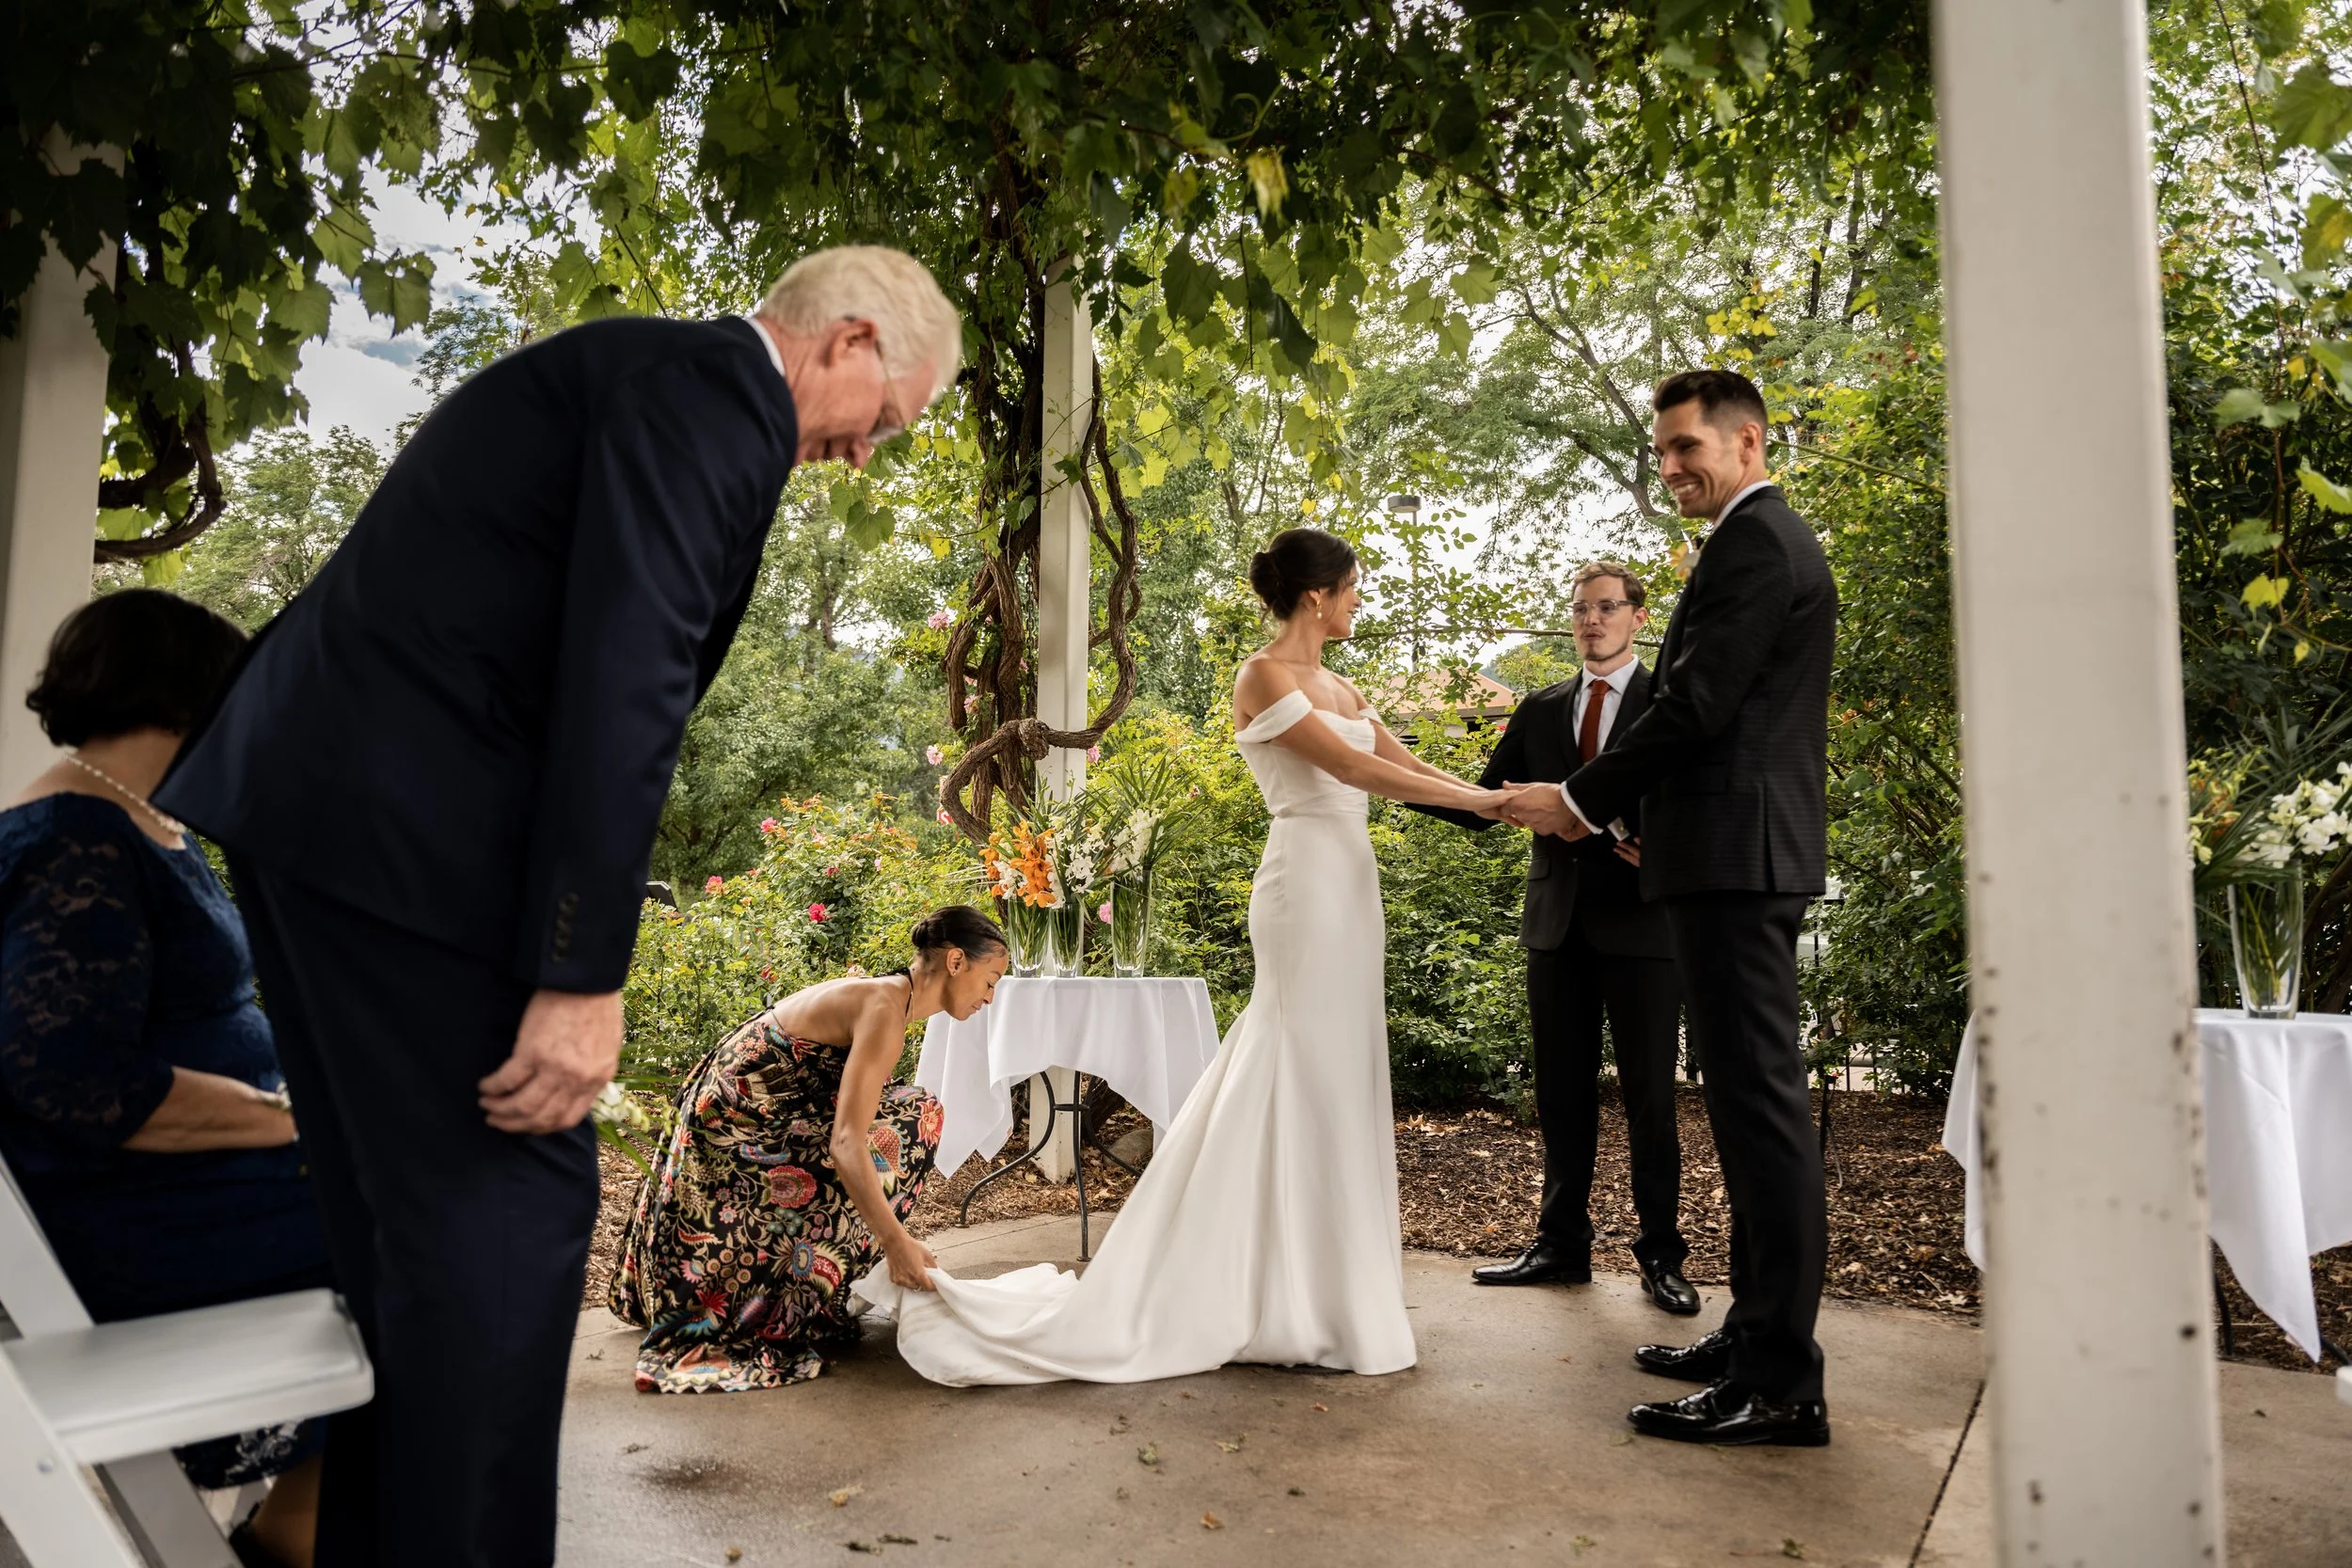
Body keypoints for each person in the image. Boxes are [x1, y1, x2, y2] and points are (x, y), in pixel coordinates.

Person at [154, 246, 961, 1567]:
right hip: (405, 843)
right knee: (509, 1223)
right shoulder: (716, 393)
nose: (866, 453)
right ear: (850, 341)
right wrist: (581, 972)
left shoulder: (639, 375)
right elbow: (626, 670)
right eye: (886, 420)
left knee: (402, 1248)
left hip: (325, 818)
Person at [854, 527, 1513, 1384]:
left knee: (1341, 1066)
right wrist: (1500, 803)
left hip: (1353, 885)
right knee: (1295, 1056)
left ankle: (1319, 1284)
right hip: (1303, 881)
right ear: (1316, 594)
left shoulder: (1346, 684)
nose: (1358, 600)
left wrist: (1503, 803)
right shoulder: (1263, 675)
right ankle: (1250, 1281)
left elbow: (1413, 767)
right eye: (1351, 586)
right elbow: (1359, 777)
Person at [1499, 368, 1837, 1447]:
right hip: (1720, 857)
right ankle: (1751, 1335)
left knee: (1761, 1115)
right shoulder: (1747, 540)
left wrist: (1582, 796)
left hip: (1738, 859)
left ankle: (1781, 1378)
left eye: (1686, 445)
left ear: (1747, 440)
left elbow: (1694, 706)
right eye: (1662, 451)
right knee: (1741, 1112)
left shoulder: (1756, 542)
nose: (1671, 465)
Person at [0, 592, 330, 1568]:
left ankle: (300, 1527)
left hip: (192, 1190)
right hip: (128, 1221)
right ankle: (298, 1532)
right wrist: (289, 1122)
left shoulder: (137, 818)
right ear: (196, 694)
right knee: (427, 1239)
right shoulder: (75, 835)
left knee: (440, 1226)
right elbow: (73, 1081)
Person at [1411, 560, 1697, 1316]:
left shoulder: (1670, 698)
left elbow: (1704, 793)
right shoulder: (1540, 709)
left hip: (1645, 924)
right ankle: (1561, 1245)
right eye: (1580, 609)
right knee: (1561, 1094)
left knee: (1650, 1102)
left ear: (1638, 616)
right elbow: (1485, 802)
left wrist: (1666, 847)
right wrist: (1390, 778)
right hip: (1556, 923)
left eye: (1606, 607)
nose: (1591, 620)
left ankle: (1662, 1257)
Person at [606, 907, 1006, 1392]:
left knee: (910, 1108)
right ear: (957, 962)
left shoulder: (890, 997)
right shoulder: (884, 1009)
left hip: (752, 1114)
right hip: (730, 1130)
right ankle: (793, 1294)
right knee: (916, 1120)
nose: (991, 996)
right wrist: (895, 1243)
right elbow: (844, 1142)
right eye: (991, 980)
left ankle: (816, 1283)